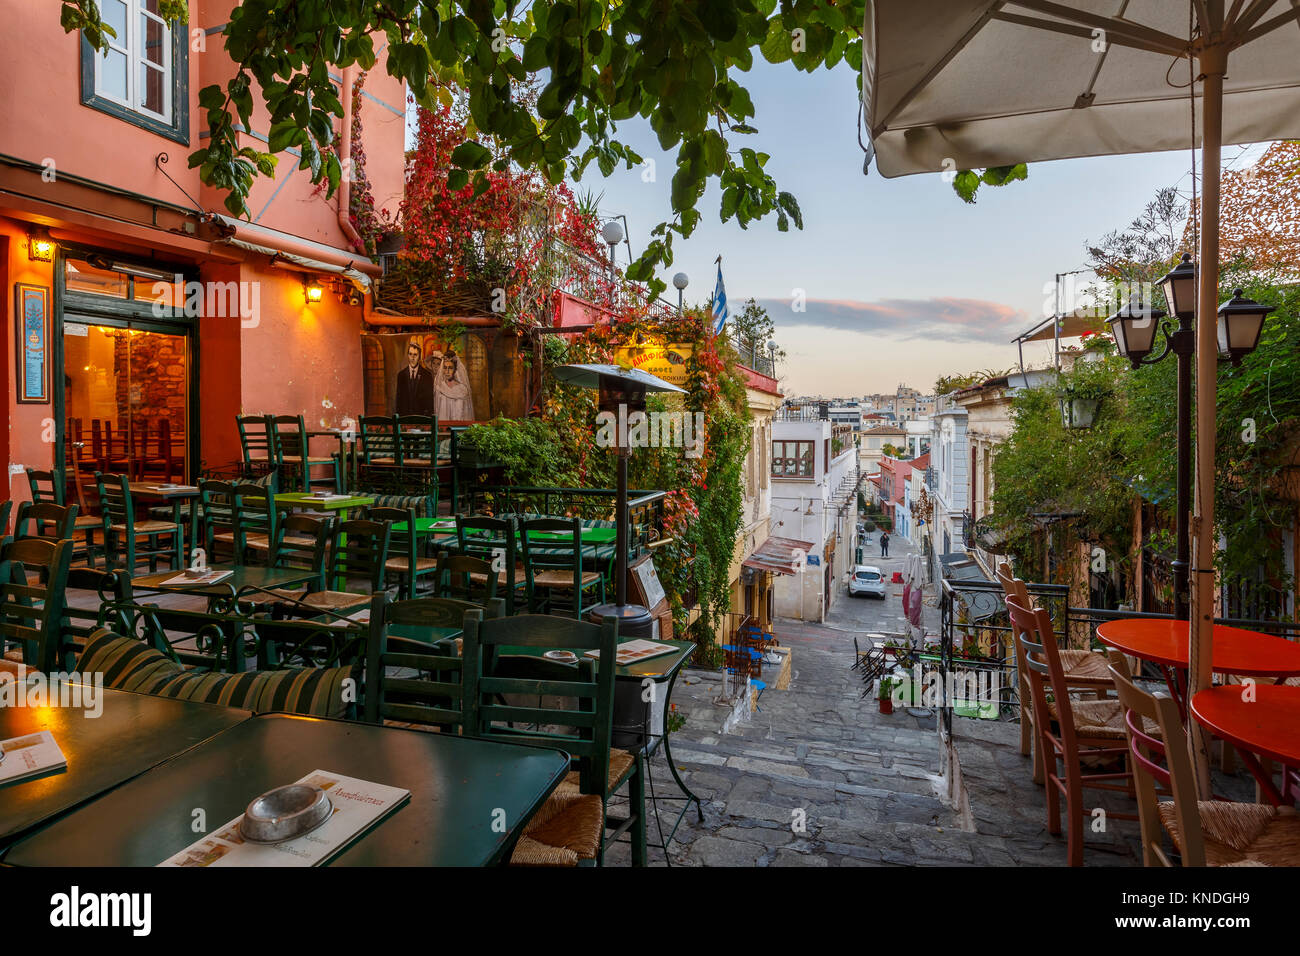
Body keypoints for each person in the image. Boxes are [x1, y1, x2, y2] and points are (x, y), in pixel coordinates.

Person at [394, 339, 434, 416]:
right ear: (407, 355)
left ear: (419, 356)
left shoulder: (427, 375)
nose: (412, 358)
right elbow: (398, 401)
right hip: (405, 418)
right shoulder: (401, 375)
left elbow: (429, 402)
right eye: (410, 354)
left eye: (415, 355)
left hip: (422, 418)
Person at [434, 350, 475, 422]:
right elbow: (437, 410)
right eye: (445, 367)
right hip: (443, 427)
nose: (447, 371)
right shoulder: (439, 387)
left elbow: (466, 414)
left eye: (450, 368)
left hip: (458, 428)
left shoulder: (462, 389)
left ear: (455, 370)